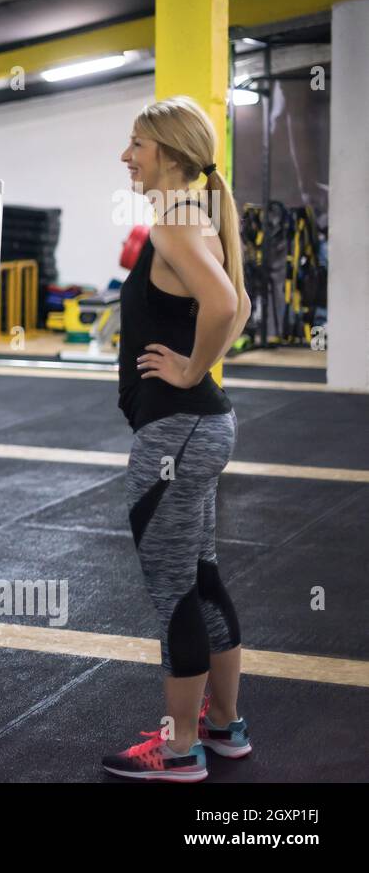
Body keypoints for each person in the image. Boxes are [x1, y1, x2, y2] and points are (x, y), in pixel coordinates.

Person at [103, 95, 253, 782]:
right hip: (198, 425)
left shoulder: (174, 225)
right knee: (201, 578)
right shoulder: (197, 218)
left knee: (173, 593)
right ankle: (224, 727)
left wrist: (192, 366)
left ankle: (180, 748)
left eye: (136, 144)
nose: (127, 156)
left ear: (166, 152)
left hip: (177, 432)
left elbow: (225, 307)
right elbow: (239, 301)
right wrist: (200, 369)